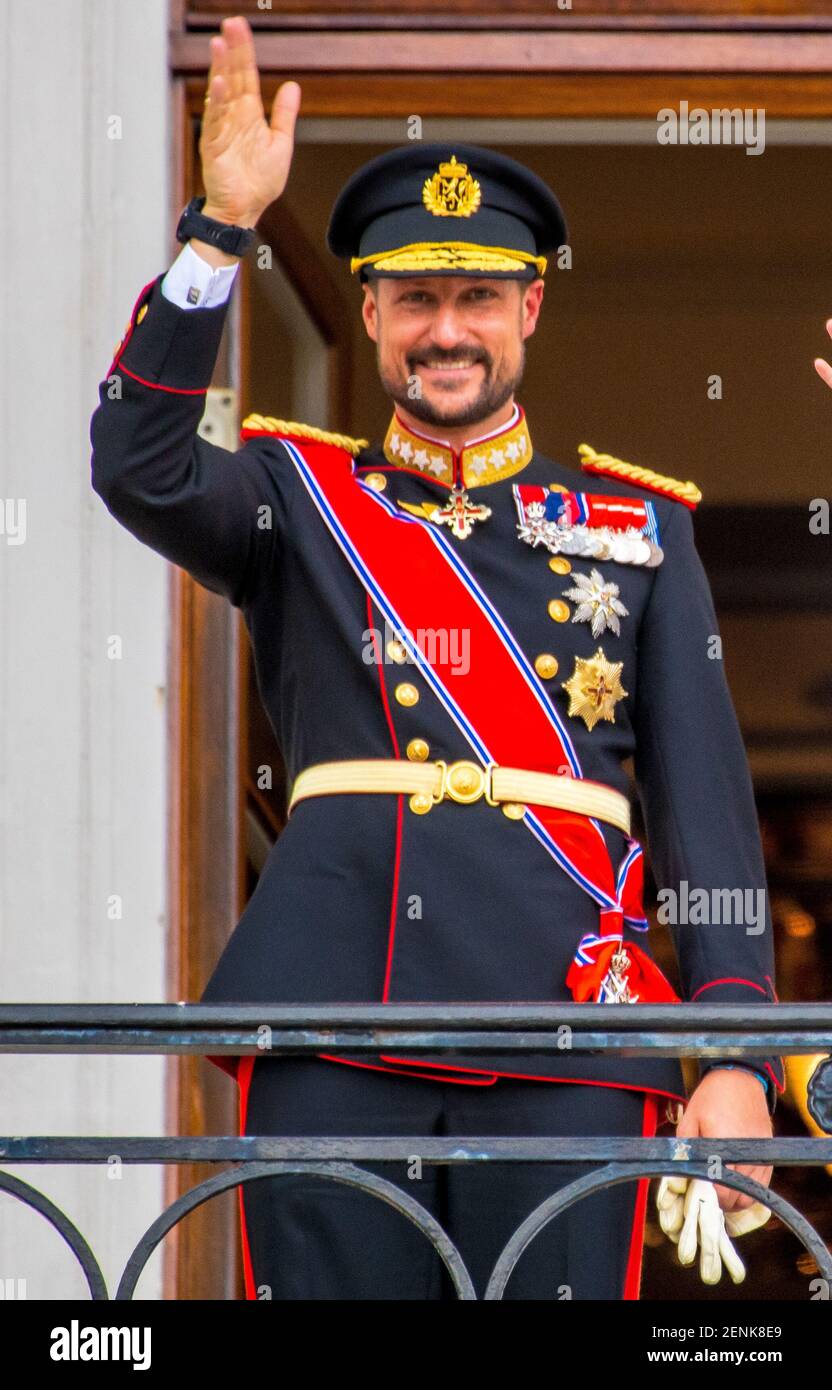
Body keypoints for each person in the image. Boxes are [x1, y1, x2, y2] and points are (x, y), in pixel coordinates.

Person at [89, 14, 786, 1300]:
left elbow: (704, 813)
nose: (445, 330)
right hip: (335, 1006)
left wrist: (733, 1051)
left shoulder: (638, 528)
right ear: (369, 313)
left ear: (528, 307)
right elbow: (138, 468)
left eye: (476, 296)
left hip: (569, 1024)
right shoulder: (296, 499)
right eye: (414, 298)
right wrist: (219, 232)